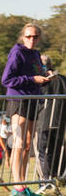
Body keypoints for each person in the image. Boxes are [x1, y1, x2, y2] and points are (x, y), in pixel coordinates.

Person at [2, 23, 49, 196]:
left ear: (39, 38)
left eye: (35, 37)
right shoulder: (17, 53)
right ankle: (18, 187)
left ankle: (22, 185)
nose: (32, 39)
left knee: (28, 144)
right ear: (23, 37)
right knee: (19, 143)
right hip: (18, 100)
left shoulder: (35, 54)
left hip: (32, 100)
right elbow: (6, 79)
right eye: (28, 36)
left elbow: (37, 72)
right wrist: (32, 79)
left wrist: (45, 75)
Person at [35, 53, 65, 186]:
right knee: (56, 150)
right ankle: (55, 177)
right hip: (60, 120)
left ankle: (45, 181)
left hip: (44, 120)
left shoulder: (41, 81)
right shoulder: (63, 80)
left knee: (43, 151)